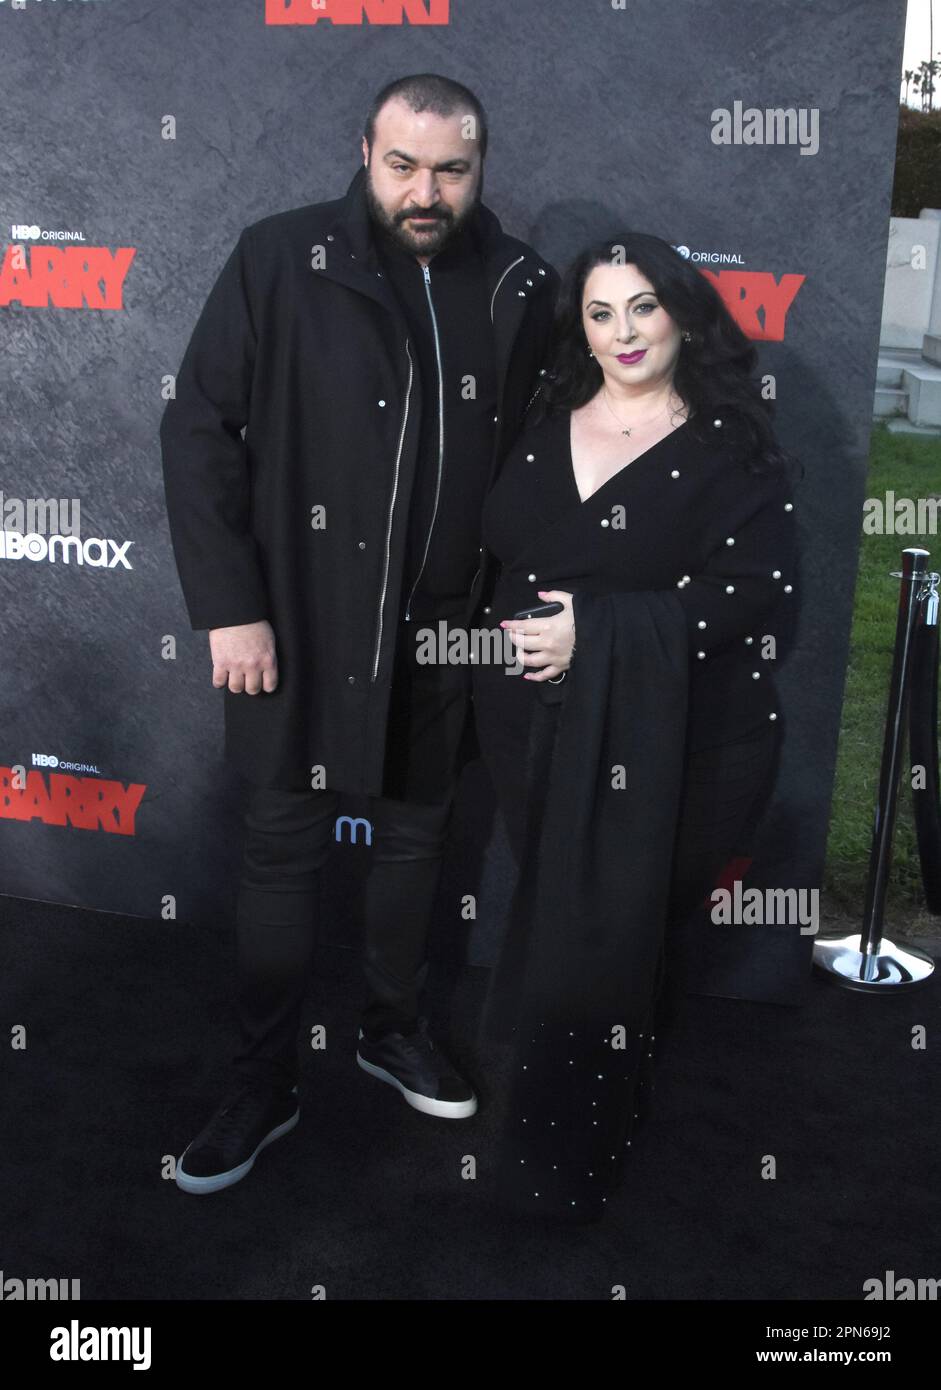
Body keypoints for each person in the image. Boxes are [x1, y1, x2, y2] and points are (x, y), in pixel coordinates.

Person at [159, 73, 559, 1194]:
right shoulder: (281, 257)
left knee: (416, 838)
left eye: (451, 168)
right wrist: (228, 605)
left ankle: (390, 1029)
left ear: (481, 166)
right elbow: (198, 429)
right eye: (402, 164)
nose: (425, 190)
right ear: (364, 153)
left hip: (446, 634)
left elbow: (540, 464)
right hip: (290, 622)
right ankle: (261, 1077)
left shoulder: (523, 282)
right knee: (280, 848)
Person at [469, 231, 803, 1222]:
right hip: (529, 726)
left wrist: (598, 634)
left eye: (642, 307)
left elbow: (755, 593)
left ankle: (591, 1131)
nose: (623, 332)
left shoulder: (730, 442)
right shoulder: (543, 417)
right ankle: (548, 1109)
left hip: (677, 742)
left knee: (626, 925)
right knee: (562, 911)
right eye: (599, 313)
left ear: (680, 312)